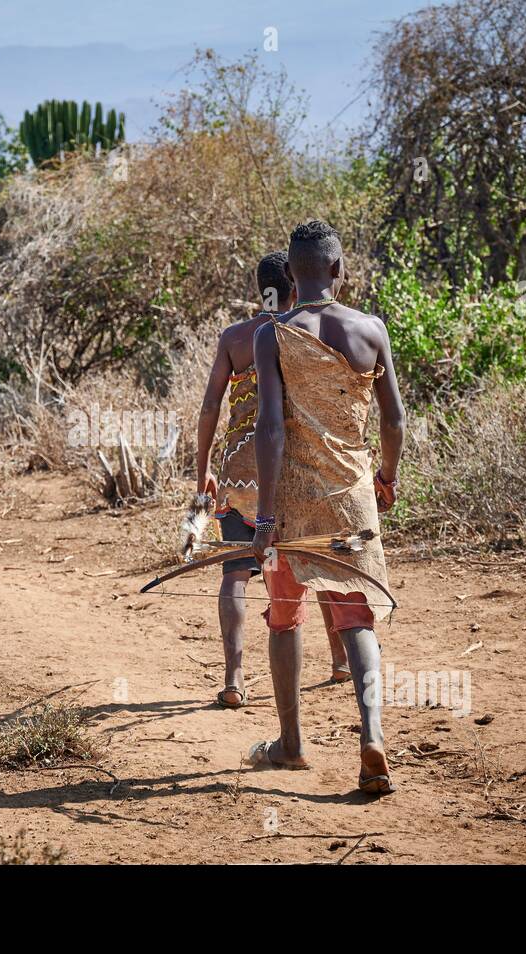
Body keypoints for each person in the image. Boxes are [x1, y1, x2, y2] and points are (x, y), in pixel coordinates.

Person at [249, 220, 406, 795]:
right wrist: (385, 477)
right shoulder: (371, 330)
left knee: (285, 614)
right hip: (351, 497)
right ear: (339, 269)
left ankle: (290, 746)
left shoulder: (274, 336)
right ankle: (373, 735)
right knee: (357, 616)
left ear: (289, 274)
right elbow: (394, 420)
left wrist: (265, 519)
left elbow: (270, 429)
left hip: (291, 502)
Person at [194, 252, 351, 709]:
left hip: (241, 474)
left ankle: (234, 678)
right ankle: (341, 660)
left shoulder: (236, 338)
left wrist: (202, 467)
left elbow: (209, 409)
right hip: (297, 471)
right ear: (296, 285)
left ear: (257, 289)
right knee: (312, 559)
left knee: (236, 571)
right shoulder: (304, 333)